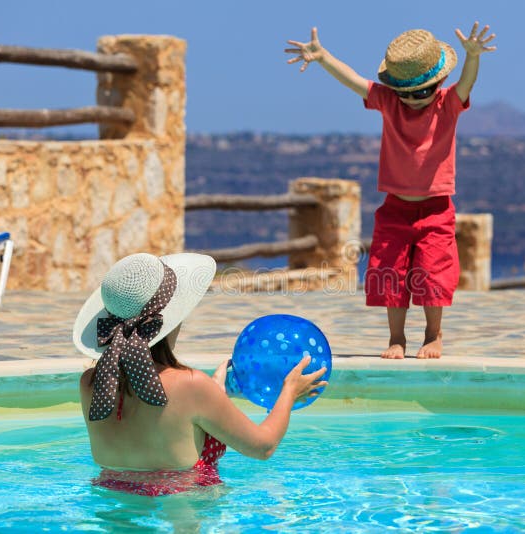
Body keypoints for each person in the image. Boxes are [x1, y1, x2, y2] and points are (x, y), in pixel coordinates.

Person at [286, 22, 496, 359]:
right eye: (406, 92)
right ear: (395, 88)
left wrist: (473, 57)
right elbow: (354, 81)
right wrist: (323, 58)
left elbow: (467, 82)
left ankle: (433, 334)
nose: (412, 100)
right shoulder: (389, 102)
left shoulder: (447, 104)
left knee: (433, 275)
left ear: (437, 84)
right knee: (390, 274)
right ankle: (396, 338)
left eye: (420, 91)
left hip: (436, 209)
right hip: (395, 208)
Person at [73, 252, 327, 496]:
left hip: (112, 507)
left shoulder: (91, 383)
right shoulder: (191, 386)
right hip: (185, 514)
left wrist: (213, 392)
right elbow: (263, 446)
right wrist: (289, 391)